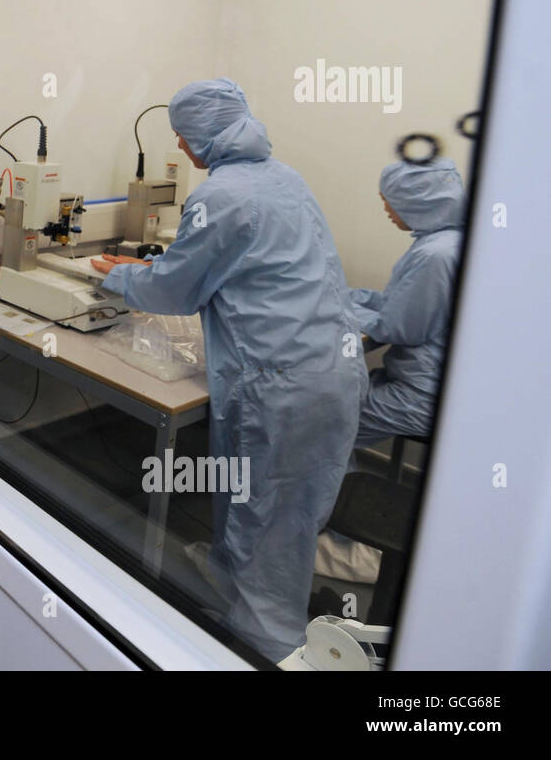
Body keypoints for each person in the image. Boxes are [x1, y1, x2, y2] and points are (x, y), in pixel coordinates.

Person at [91, 78, 367, 663]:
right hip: (331, 369)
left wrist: (116, 273)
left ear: (197, 137)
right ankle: (234, 579)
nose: (181, 147)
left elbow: (174, 291)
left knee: (265, 511)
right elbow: (255, 263)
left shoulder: (221, 195)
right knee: (287, 511)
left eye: (181, 136)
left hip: (279, 382)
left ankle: (263, 645)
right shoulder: (285, 178)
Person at [350, 158, 465, 445]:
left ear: (418, 201)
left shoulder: (435, 255)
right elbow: (401, 303)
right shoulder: (446, 241)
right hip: (430, 383)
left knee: (313, 416)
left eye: (388, 200)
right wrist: (347, 296)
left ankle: (298, 488)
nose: (387, 209)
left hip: (420, 397)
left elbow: (399, 328)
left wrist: (336, 307)